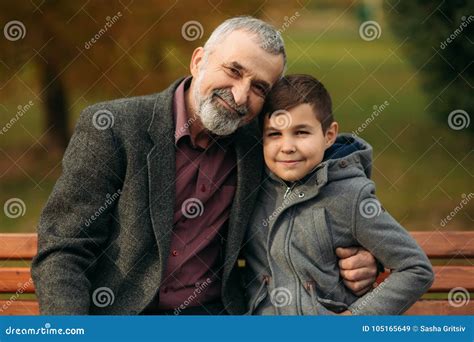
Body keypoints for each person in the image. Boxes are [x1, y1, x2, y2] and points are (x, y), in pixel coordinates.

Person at [31, 17, 378, 315]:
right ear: (198, 61)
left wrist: (363, 250)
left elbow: (333, 161)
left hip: (217, 317)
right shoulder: (114, 128)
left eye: (259, 87)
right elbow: (64, 249)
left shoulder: (261, 143)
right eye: (234, 70)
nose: (240, 96)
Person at [243, 74, 434, 315]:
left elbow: (415, 268)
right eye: (274, 134)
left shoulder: (351, 196)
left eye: (301, 132)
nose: (287, 146)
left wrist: (354, 320)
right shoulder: (252, 189)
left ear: (329, 135)